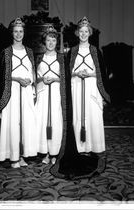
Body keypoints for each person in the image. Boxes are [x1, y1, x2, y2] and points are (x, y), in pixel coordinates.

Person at [50, 17, 110, 179]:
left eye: (86, 32)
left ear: (89, 33)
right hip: (76, 87)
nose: (83, 34)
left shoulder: (96, 51)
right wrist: (77, 73)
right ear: (77, 33)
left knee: (92, 116)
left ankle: (94, 148)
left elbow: (101, 73)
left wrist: (89, 74)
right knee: (77, 116)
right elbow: (68, 72)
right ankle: (81, 148)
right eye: (81, 32)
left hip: (91, 88)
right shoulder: (73, 51)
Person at [0, 17, 37, 168]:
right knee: (13, 123)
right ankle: (13, 157)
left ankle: (21, 155)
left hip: (25, 92)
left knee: (25, 123)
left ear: (24, 33)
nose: (18, 34)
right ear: (11, 33)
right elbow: (1, 76)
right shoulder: (6, 52)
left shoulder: (30, 52)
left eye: (21, 31)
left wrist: (30, 81)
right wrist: (17, 78)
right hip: (11, 92)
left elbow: (33, 72)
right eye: (15, 32)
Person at [35, 25, 66, 165]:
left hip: (56, 93)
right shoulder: (39, 58)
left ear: (56, 42)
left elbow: (66, 78)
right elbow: (34, 77)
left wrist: (55, 79)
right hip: (43, 93)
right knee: (42, 121)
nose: (51, 43)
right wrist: (42, 79)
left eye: (53, 40)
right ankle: (46, 152)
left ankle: (54, 153)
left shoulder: (61, 58)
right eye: (48, 40)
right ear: (44, 42)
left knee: (55, 121)